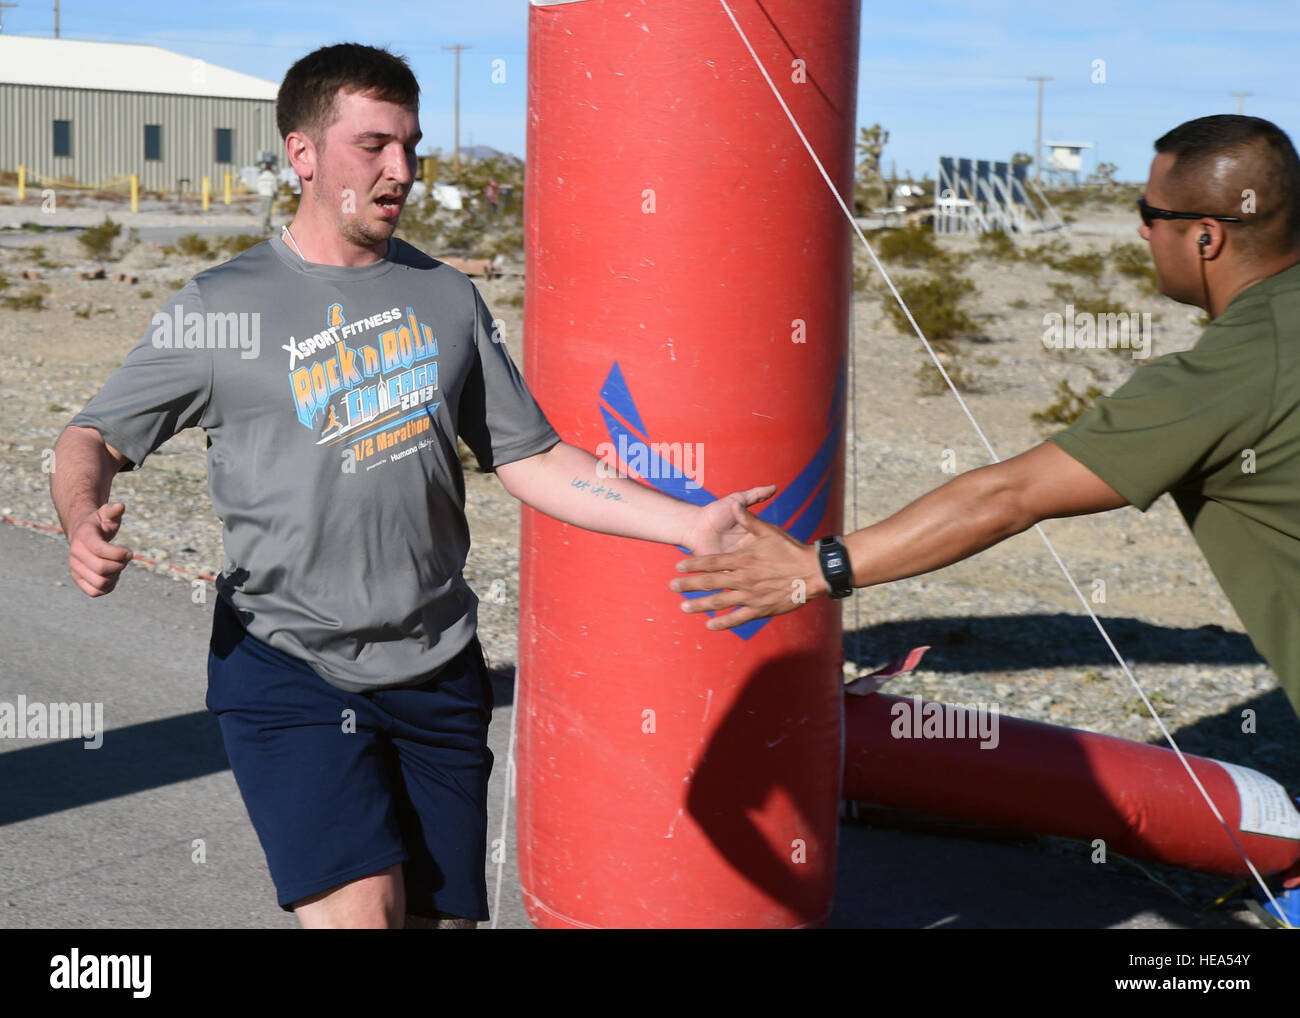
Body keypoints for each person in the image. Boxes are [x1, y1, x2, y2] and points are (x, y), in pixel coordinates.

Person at [49, 42, 773, 930]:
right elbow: (90, 435)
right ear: (303, 154)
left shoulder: (445, 297)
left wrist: (688, 525)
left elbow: (532, 458)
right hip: (290, 665)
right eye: (375, 146)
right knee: (364, 914)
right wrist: (83, 516)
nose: (403, 171)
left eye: (412, 146)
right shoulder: (219, 308)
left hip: (438, 669)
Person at [671, 114, 1300, 721]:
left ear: (1206, 236)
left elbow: (1007, 496)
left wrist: (817, 568)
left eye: (1148, 213)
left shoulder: (1234, 372)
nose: (1141, 232)